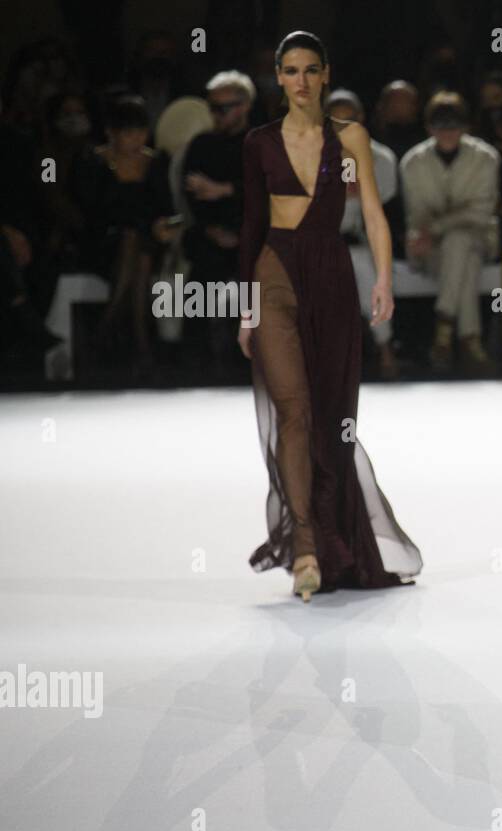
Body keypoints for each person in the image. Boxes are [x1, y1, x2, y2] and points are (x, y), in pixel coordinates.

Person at [236, 31, 421, 601]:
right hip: (275, 273)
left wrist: (385, 278)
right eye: (289, 71)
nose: (300, 81)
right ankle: (307, 549)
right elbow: (250, 227)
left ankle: (334, 537)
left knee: (332, 416)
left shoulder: (352, 138)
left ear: (326, 74)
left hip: (333, 277)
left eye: (310, 70)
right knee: (293, 410)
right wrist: (244, 307)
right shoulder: (259, 143)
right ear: (277, 76)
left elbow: (373, 212)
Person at [71, 94, 176, 381]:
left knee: (138, 248)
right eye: (128, 132)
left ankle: (105, 333)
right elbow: (91, 211)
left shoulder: (156, 162)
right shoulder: (93, 162)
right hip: (102, 243)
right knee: (134, 248)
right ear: (111, 132)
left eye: (141, 131)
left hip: (149, 241)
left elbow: (166, 208)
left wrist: (161, 225)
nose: (136, 139)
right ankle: (142, 346)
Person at [402, 91, 500, 376]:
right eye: (440, 125)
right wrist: (428, 232)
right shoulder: (413, 162)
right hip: (429, 248)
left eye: (454, 125)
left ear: (466, 126)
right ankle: (470, 343)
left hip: (479, 239)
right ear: (429, 128)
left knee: (461, 242)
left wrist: (436, 227)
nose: (447, 132)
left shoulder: (485, 158)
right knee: (463, 254)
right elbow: (417, 213)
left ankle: (444, 328)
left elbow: (481, 213)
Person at [324, 88, 402, 380]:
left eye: (350, 119)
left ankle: (385, 348)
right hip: (323, 242)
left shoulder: (380, 157)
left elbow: (381, 207)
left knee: (367, 274)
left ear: (361, 119)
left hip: (365, 243)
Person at [182, 71, 254, 374]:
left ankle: (252, 354)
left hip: (252, 232)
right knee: (202, 269)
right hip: (210, 232)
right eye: (212, 107)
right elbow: (192, 193)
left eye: (223, 107)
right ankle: (195, 356)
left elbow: (269, 191)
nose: (216, 114)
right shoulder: (201, 144)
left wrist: (223, 190)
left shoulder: (261, 143)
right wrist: (213, 227)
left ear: (245, 105)